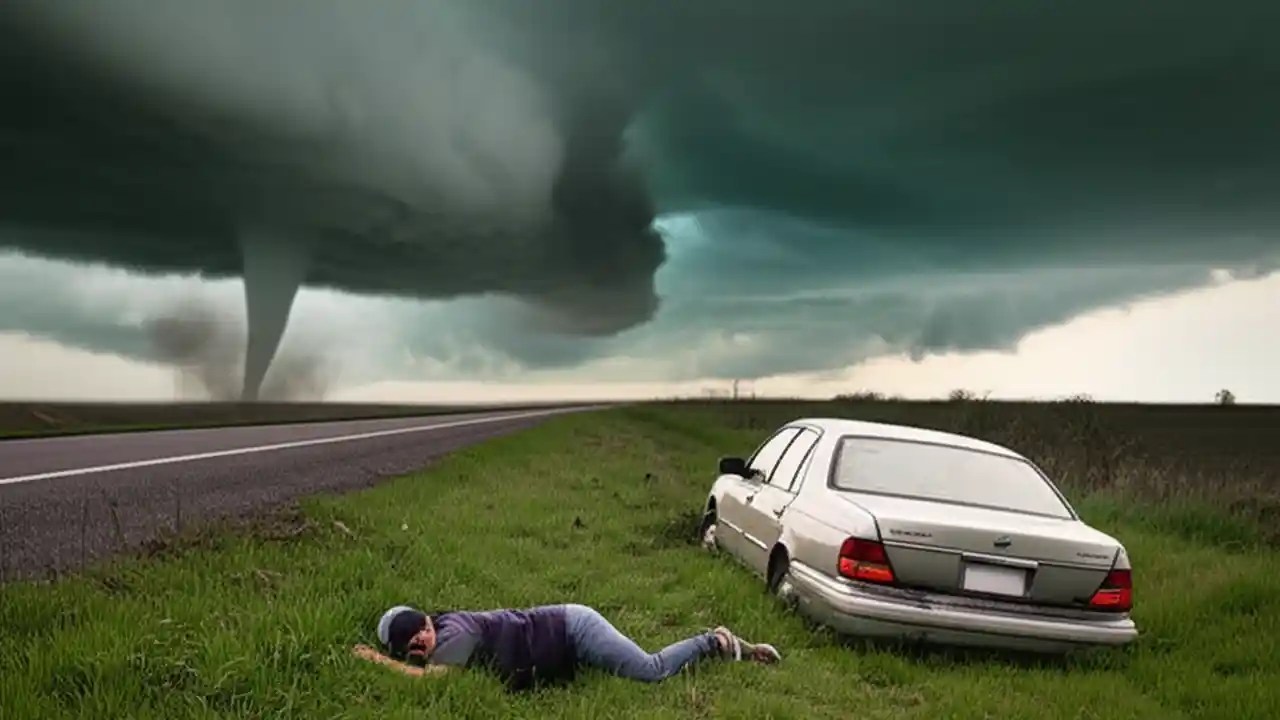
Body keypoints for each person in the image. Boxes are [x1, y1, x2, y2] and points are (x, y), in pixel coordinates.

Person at [351, 602, 781, 691]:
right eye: (410, 642)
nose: (421, 639)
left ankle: (715, 641)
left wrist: (375, 661)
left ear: (428, 619)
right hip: (565, 647)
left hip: (575, 629)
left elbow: (433, 681)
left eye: (420, 628)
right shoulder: (442, 637)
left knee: (650, 672)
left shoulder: (454, 634)